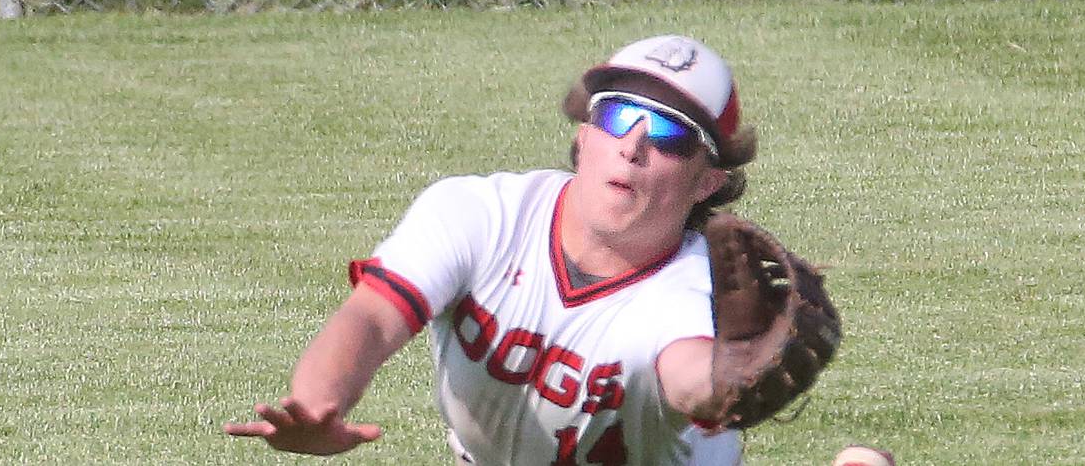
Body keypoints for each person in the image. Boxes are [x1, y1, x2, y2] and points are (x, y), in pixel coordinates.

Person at [225, 34, 758, 464]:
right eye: (617, 114)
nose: (634, 145)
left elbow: (688, 372)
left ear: (707, 181)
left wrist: (730, 377)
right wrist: (321, 400)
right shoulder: (481, 214)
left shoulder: (696, 287)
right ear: (582, 135)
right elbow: (372, 317)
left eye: (669, 132)